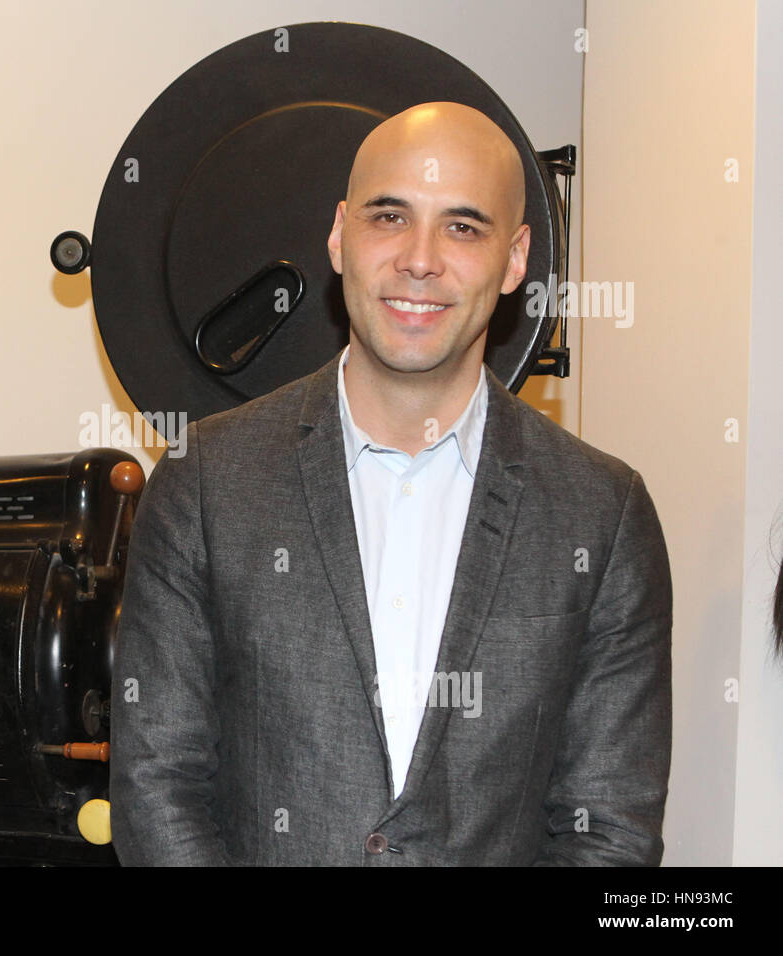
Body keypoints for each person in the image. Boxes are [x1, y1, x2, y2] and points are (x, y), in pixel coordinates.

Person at [109, 102, 673, 866]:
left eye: (464, 227)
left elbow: (608, 832)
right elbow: (158, 786)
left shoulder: (602, 517)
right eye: (389, 217)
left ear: (516, 259)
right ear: (340, 236)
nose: (420, 259)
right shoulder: (206, 481)